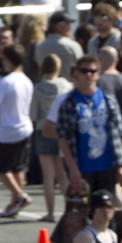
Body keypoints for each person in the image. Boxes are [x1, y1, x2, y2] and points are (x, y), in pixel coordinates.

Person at [54, 55, 122, 199]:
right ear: (77, 73)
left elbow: (120, 134)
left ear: (98, 74)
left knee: (106, 211)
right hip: (82, 168)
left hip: (107, 166)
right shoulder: (69, 103)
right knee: (83, 212)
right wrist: (72, 169)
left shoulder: (108, 100)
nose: (88, 75)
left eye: (92, 71)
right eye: (84, 71)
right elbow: (62, 139)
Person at [0, 44, 34, 217]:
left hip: (8, 129)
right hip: (25, 127)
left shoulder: (5, 81)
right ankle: (15, 203)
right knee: (17, 168)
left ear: (8, 60)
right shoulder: (27, 80)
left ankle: (20, 196)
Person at [31, 54, 72, 221]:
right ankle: (70, 208)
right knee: (62, 174)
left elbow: (33, 114)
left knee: (48, 176)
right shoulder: (66, 86)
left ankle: (50, 212)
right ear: (58, 68)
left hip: (43, 130)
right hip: (60, 130)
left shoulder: (38, 88)